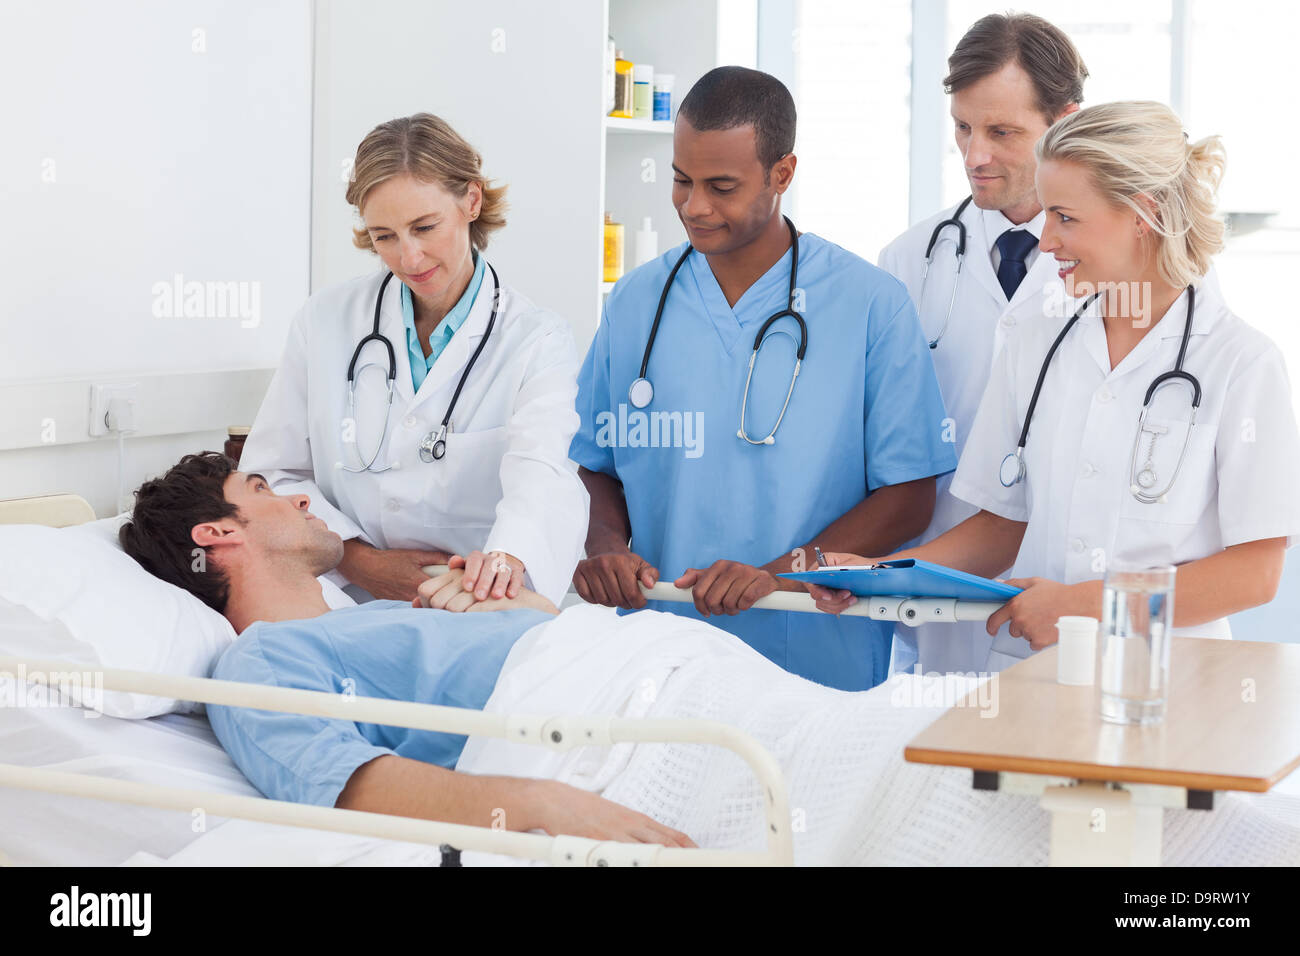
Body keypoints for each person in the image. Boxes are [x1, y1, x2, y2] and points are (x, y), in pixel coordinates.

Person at [810, 102, 1300, 673]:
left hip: (1171, 687)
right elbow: (1003, 524)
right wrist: (881, 577)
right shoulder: (1037, 339)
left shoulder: (1240, 361)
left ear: (1143, 214)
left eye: (1065, 218)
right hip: (1033, 674)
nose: (1045, 241)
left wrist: (1084, 608)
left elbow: (1254, 572)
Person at [570, 67, 956, 691]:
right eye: (680, 180)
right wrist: (606, 545)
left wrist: (784, 573)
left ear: (783, 174)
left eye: (722, 186)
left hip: (814, 647)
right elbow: (592, 462)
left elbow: (909, 494)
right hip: (659, 650)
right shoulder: (637, 301)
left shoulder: (869, 304)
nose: (694, 206)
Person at [239, 113, 587, 609]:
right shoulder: (324, 321)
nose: (409, 257)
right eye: (384, 236)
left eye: (425, 227)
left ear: (471, 200)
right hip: (344, 596)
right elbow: (273, 476)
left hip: (473, 603)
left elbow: (543, 475)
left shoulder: (536, 339)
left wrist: (505, 561)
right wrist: (359, 561)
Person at [877, 13, 1088, 674]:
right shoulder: (909, 260)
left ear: (1064, 123)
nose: (974, 156)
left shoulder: (1132, 267)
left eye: (1002, 132)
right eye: (963, 128)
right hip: (940, 589)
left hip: (1065, 595)